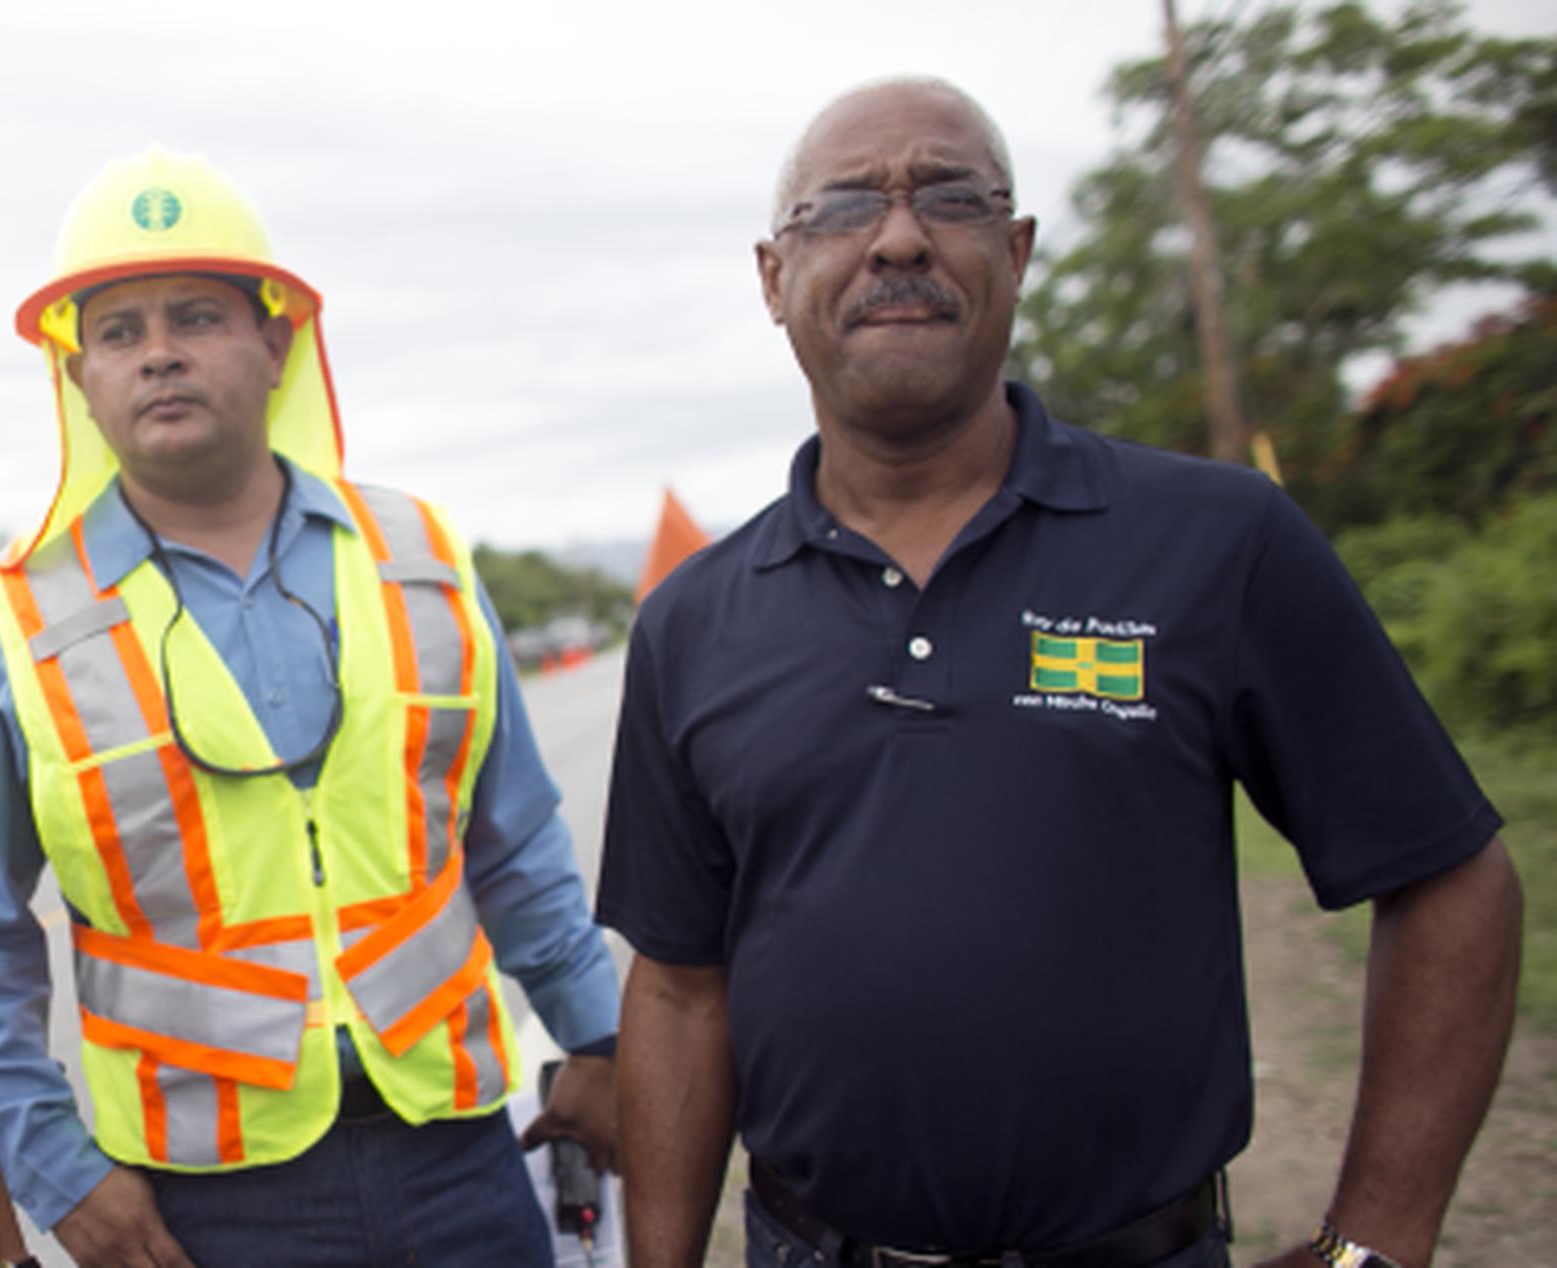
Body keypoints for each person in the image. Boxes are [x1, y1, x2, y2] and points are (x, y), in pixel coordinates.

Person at [599, 76, 1524, 1268]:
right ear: (775, 279)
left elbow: (1451, 879)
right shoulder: (690, 621)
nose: (897, 236)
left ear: (1016, 251)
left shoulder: (1218, 539)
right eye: (840, 209)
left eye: (950, 196)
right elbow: (678, 992)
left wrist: (1376, 1243)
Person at [0, 146, 622, 1268]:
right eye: (117, 331)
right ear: (80, 377)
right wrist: (55, 1168)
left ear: (277, 342)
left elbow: (515, 838)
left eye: (195, 316)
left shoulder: (425, 561)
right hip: (203, 1211)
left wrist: (599, 1034)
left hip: (461, 1163)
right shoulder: (5, 631)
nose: (157, 353)